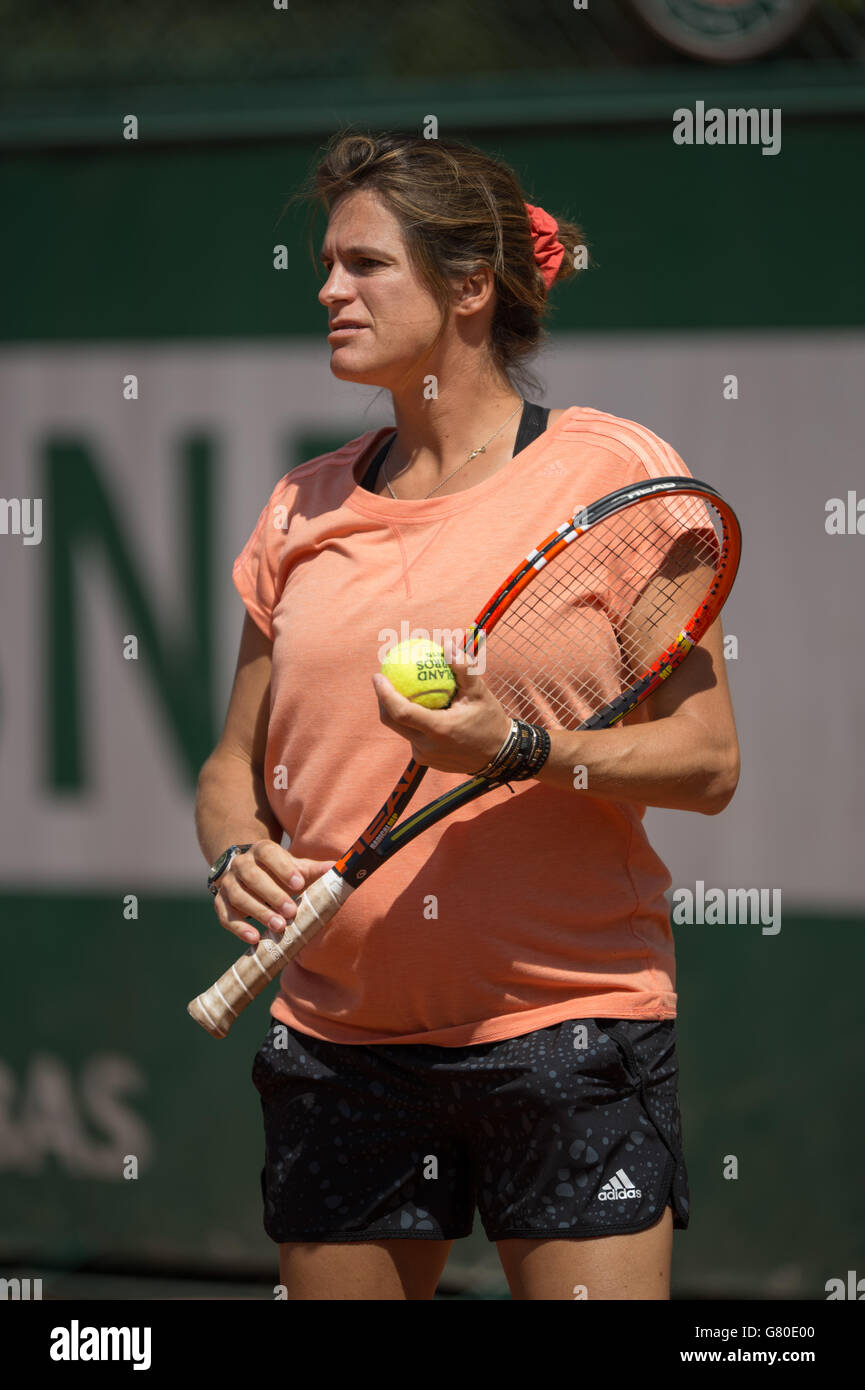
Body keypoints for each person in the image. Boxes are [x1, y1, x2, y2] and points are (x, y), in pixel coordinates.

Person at [195, 130, 740, 1301]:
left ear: (470, 287)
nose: (327, 288)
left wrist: (523, 750)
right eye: (325, 263)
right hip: (340, 1045)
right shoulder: (302, 506)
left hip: (569, 1031)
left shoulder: (609, 476)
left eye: (362, 264)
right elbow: (230, 767)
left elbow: (704, 762)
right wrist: (236, 850)